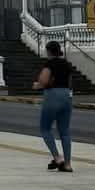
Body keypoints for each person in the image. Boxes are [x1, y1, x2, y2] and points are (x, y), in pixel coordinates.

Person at [33, 40, 73, 172]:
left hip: (52, 96)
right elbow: (69, 82)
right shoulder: (66, 64)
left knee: (45, 128)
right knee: (64, 131)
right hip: (66, 96)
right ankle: (67, 164)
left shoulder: (49, 64)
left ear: (49, 51)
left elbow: (44, 81)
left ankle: (57, 158)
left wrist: (37, 85)